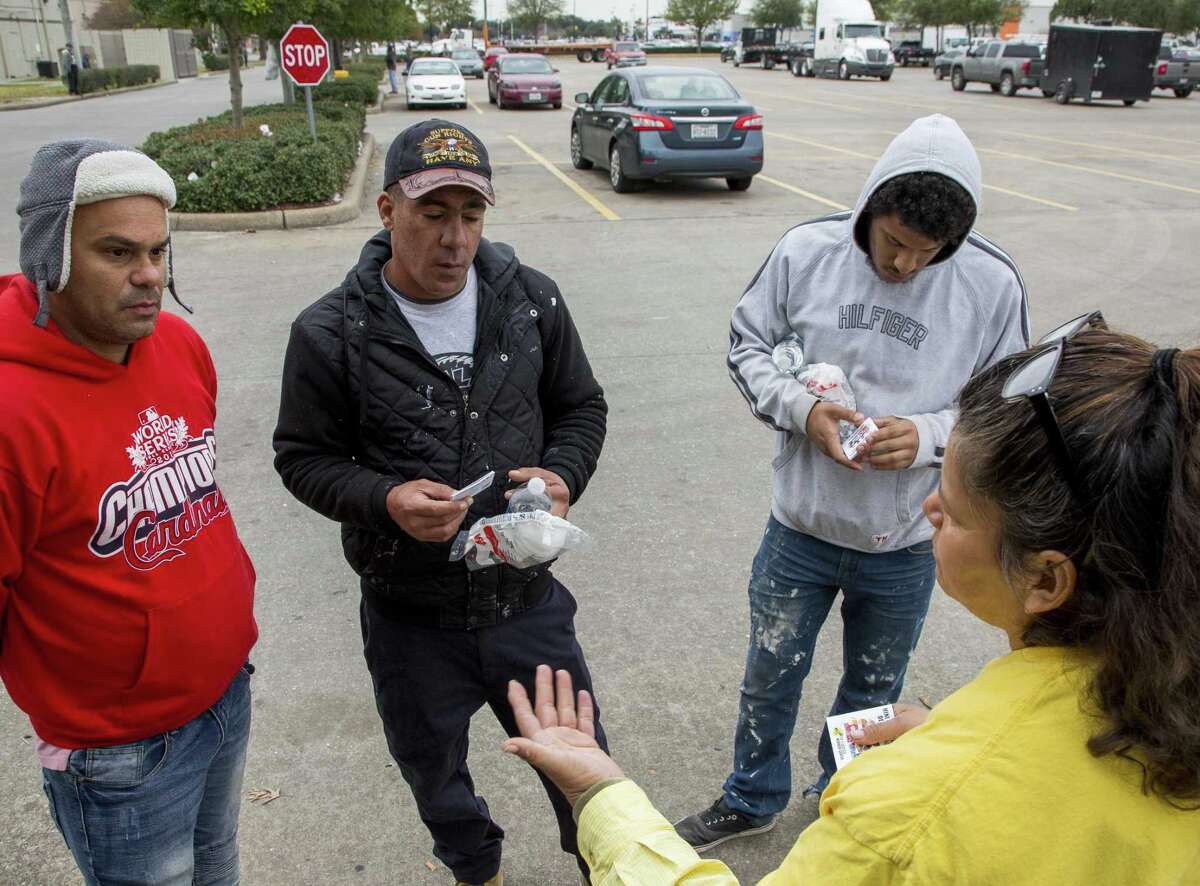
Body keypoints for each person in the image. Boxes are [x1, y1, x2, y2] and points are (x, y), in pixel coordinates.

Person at [501, 317, 1200, 883]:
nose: (928, 510)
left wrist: (602, 798)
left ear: (1046, 580)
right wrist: (959, 738)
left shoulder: (905, 818)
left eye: (953, 512)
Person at [674, 113, 1031, 849]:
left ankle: (843, 800)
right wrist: (804, 410)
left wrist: (930, 435)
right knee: (770, 674)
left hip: (904, 542)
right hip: (800, 526)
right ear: (870, 208)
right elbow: (747, 345)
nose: (902, 266)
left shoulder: (990, 285)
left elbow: (1008, 406)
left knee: (872, 693)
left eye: (924, 254)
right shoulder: (807, 252)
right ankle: (751, 796)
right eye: (893, 242)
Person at [272, 119, 609, 886]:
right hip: (410, 617)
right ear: (388, 210)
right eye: (433, 214)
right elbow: (302, 458)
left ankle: (605, 866)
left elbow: (581, 406)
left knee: (585, 772)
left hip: (527, 601)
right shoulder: (330, 332)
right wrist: (384, 499)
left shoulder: (531, 302)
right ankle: (475, 867)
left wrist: (562, 474)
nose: (454, 237)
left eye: (471, 214)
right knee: (434, 775)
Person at [1, 139, 258, 885]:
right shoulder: (12, 414)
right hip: (119, 753)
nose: (149, 276)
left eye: (158, 250)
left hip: (224, 694)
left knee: (217, 869)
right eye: (117, 252)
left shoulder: (177, 344)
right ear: (49, 253)